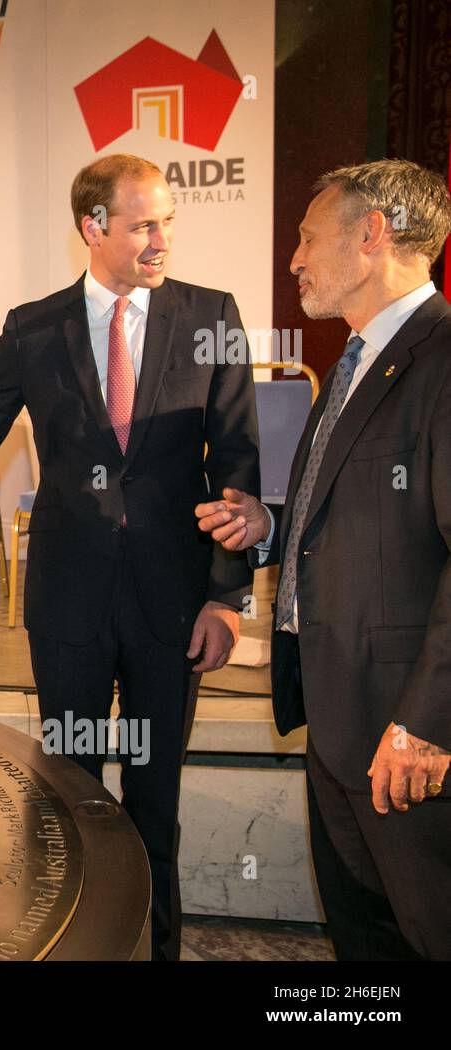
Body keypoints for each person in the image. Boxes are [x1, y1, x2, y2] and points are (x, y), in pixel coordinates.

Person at [0, 153, 260, 958]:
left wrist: (225, 597)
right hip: (68, 604)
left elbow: (238, 467)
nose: (161, 238)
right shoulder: (34, 327)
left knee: (155, 805)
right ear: (93, 226)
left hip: (173, 605)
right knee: (69, 800)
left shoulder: (212, 313)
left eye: (168, 221)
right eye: (145, 222)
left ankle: (158, 953)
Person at [197, 159, 451, 959]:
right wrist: (268, 525)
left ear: (372, 234)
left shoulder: (442, 359)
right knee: (366, 940)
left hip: (403, 728)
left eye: (309, 237)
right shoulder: (353, 363)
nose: (296, 259)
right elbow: (362, 517)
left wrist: (425, 724)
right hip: (340, 719)